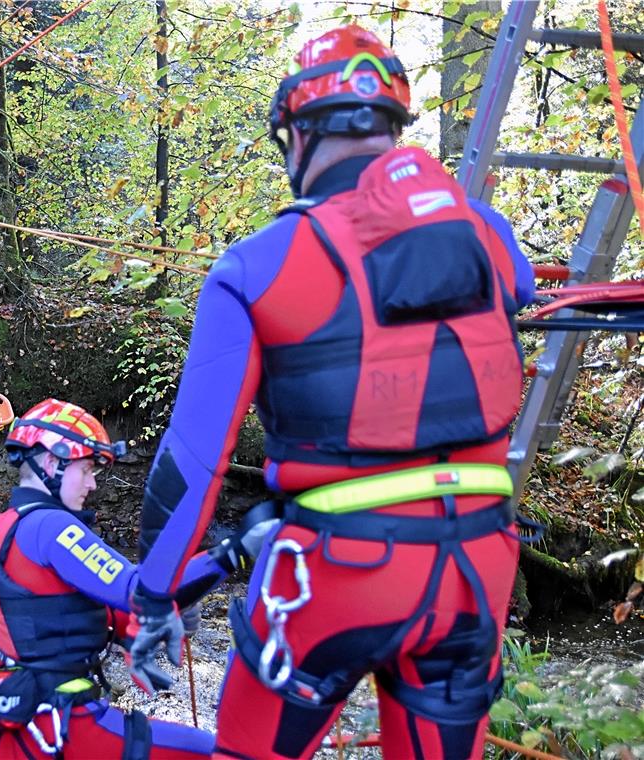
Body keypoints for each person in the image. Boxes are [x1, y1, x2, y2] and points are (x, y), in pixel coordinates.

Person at [125, 26, 536, 760]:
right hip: (475, 571)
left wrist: (154, 595)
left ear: (300, 132)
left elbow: (191, 460)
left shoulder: (257, 266)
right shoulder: (493, 238)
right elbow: (513, 293)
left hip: (337, 577)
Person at [0, 398, 272, 759]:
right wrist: (236, 550)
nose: (92, 484)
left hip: (9, 733)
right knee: (222, 753)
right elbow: (142, 590)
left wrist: (163, 616)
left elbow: (42, 623)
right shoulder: (51, 526)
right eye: (87, 469)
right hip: (66, 729)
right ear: (52, 462)